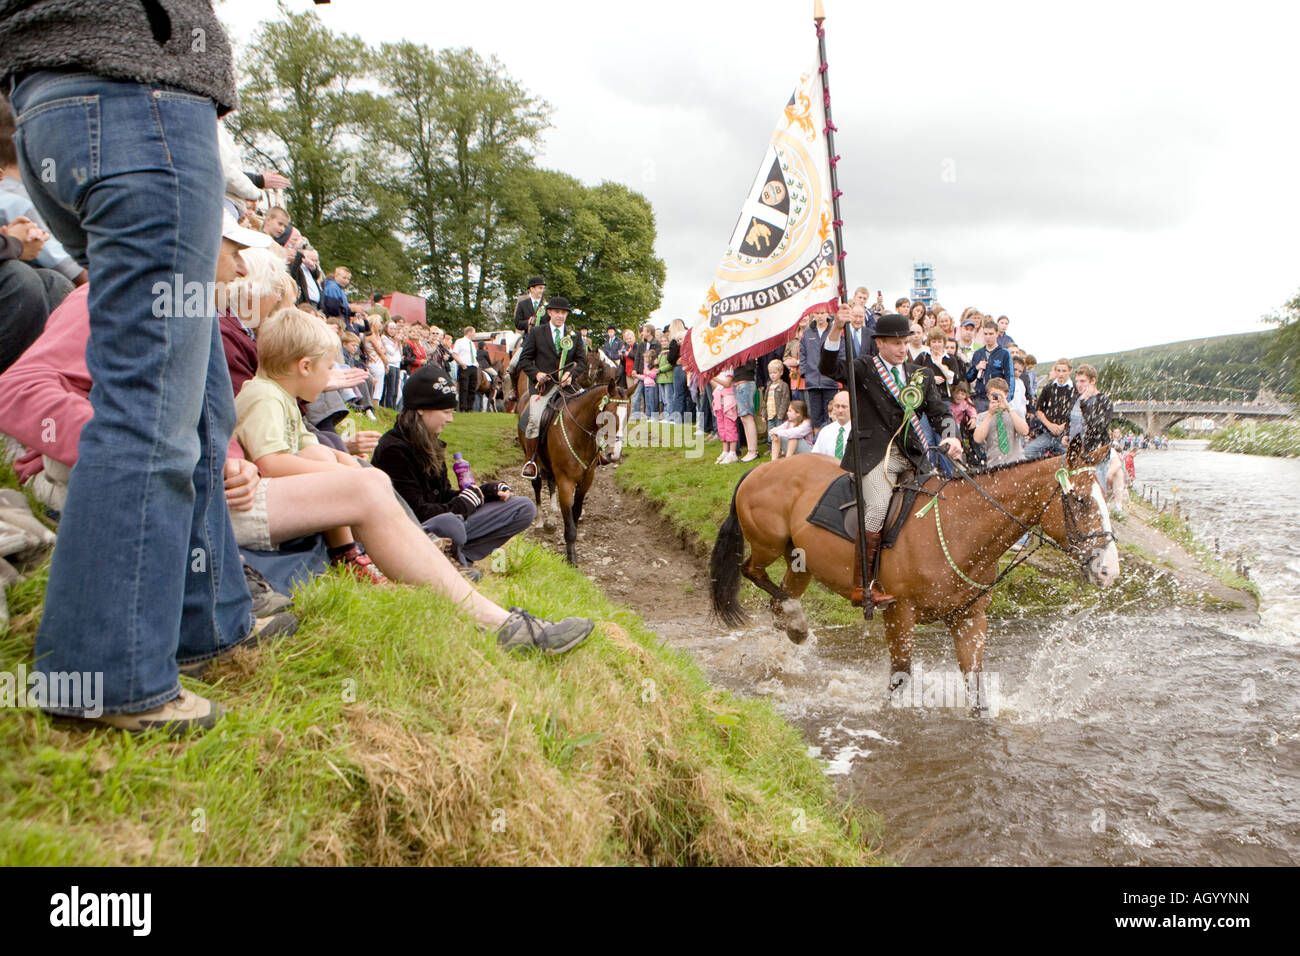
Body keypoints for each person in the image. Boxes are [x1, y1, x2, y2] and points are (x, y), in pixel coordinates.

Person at [2, 0, 269, 732]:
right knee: (151, 400)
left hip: (54, 100)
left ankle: (205, 616)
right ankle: (105, 671)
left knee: (199, 384)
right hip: (138, 100)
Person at [820, 312, 962, 607]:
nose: (902, 348)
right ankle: (862, 587)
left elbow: (939, 411)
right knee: (876, 509)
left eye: (905, 342)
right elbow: (829, 367)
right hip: (874, 455)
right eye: (896, 343)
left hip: (912, 455)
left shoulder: (919, 374)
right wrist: (836, 330)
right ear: (880, 343)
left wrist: (951, 434)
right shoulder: (864, 368)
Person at [373, 365, 536, 567]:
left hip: (442, 524)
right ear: (421, 408)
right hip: (409, 531)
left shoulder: (430, 442)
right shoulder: (394, 449)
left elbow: (441, 496)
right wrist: (463, 504)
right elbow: (414, 511)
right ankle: (449, 558)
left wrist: (486, 492)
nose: (450, 419)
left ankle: (458, 557)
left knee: (523, 508)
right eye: (446, 412)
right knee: (450, 524)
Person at [518, 295, 586, 479]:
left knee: (590, 410)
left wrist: (570, 375)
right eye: (557, 312)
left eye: (564, 313)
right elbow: (524, 360)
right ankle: (531, 460)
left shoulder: (574, 335)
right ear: (549, 313)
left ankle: (594, 454)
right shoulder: (537, 332)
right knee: (534, 419)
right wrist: (536, 374)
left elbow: (581, 361)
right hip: (543, 386)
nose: (560, 316)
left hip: (567, 386)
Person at [799, 301, 838, 430]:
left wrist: (836, 373)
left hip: (830, 381)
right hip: (813, 382)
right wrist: (805, 373)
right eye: (817, 313)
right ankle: (816, 446)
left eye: (822, 313)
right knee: (815, 418)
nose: (820, 316)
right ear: (813, 315)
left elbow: (841, 353)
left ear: (828, 314)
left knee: (831, 416)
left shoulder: (834, 330)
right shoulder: (807, 333)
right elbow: (802, 354)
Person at [973, 378, 1028, 467]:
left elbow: (1024, 431)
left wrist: (1009, 408)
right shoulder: (982, 416)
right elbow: (978, 439)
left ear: (1006, 394)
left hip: (1017, 462)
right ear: (988, 396)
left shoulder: (1016, 413)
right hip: (995, 465)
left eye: (999, 395)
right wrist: (990, 414)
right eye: (993, 395)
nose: (997, 398)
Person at [966, 321, 1014, 412]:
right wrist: (976, 368)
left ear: (996, 334)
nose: (988, 337)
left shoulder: (1004, 353)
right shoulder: (978, 353)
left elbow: (1010, 377)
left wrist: (1007, 399)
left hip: (997, 398)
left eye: (991, 334)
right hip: (980, 398)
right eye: (985, 334)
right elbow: (968, 377)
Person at [810, 391, 851, 458]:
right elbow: (816, 457)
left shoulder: (859, 431)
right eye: (837, 406)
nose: (840, 410)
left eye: (844, 407)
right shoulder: (825, 431)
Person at [711, 370, 740, 464]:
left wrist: (713, 377)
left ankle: (732, 452)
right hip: (719, 399)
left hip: (728, 399)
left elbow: (727, 383)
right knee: (721, 426)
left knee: (730, 425)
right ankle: (725, 451)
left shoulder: (729, 368)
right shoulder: (718, 369)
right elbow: (717, 386)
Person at [762, 358, 791, 449]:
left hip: (778, 414)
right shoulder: (769, 385)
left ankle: (782, 448)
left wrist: (781, 414)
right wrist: (764, 414)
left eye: (775, 373)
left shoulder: (783, 385)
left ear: (781, 372)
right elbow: (765, 400)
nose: (772, 375)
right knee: (771, 432)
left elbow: (785, 400)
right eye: (770, 373)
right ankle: (772, 448)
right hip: (770, 414)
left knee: (780, 431)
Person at [452, 325, 479, 412]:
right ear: (469, 332)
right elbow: (454, 354)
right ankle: (463, 407)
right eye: (474, 332)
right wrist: (461, 363)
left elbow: (473, 355)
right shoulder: (460, 341)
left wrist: (476, 363)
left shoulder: (472, 344)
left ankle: (469, 407)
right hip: (464, 366)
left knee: (472, 387)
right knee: (464, 387)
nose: (475, 334)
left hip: (473, 366)